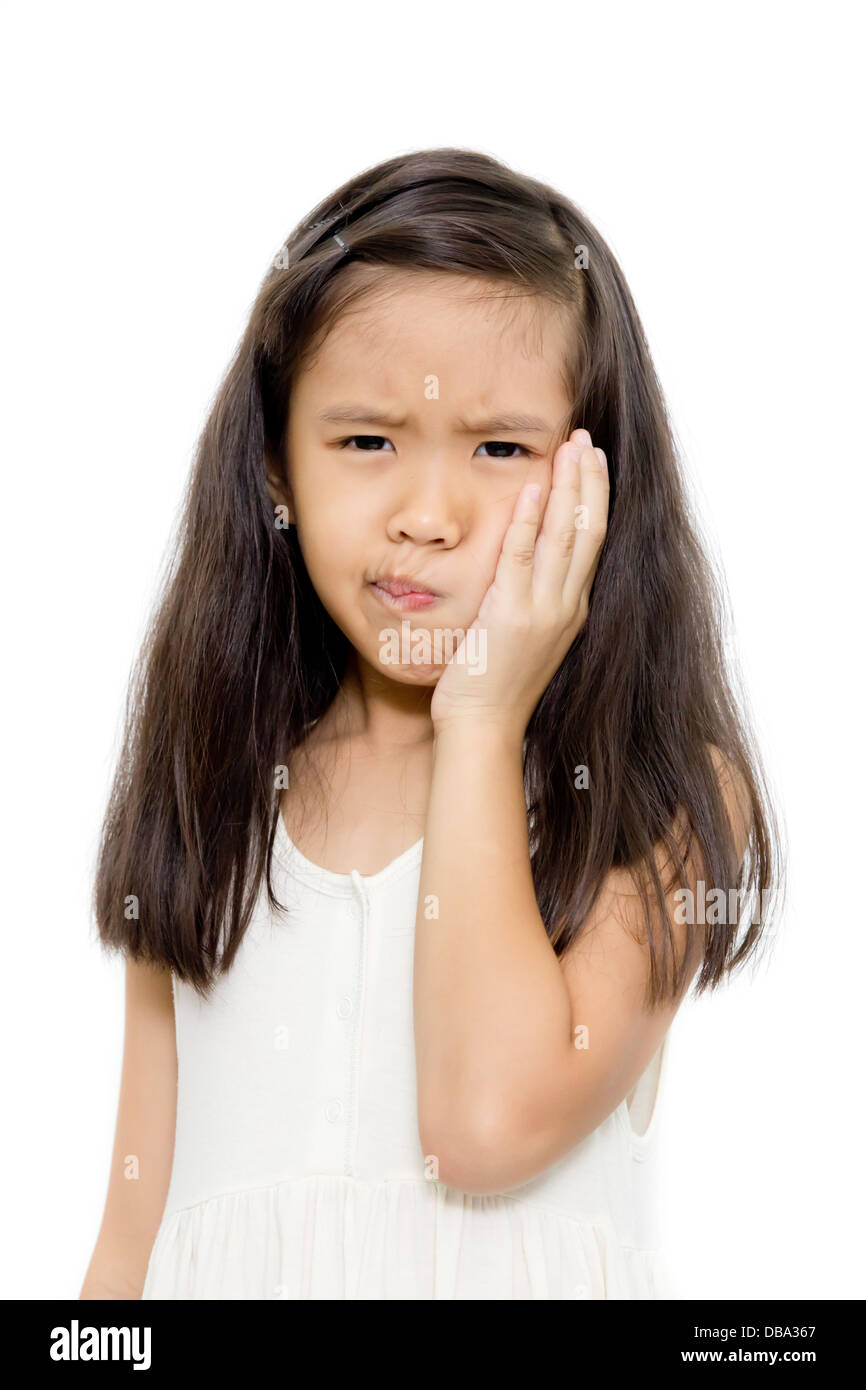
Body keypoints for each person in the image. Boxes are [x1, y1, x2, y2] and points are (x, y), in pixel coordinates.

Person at [80, 147, 782, 1300]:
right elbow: (129, 1240)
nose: (425, 516)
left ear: (595, 479)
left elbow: (483, 1120)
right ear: (275, 471)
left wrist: (485, 714)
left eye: (498, 448)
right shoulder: (213, 792)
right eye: (366, 441)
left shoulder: (658, 804)